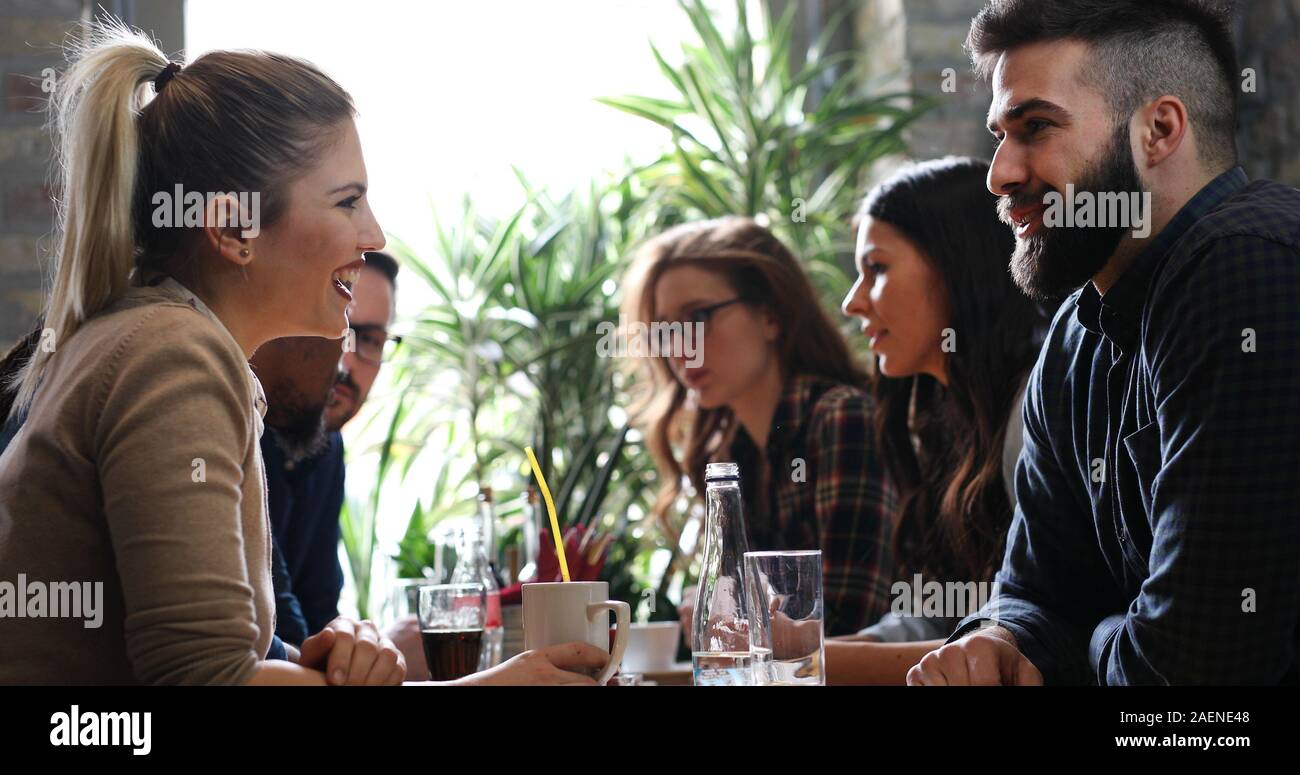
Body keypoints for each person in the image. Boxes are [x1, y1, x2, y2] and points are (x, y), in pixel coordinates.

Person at [0, 21, 604, 687]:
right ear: (233, 227)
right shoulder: (175, 357)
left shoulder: (152, 340)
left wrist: (303, 660)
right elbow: (205, 679)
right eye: (348, 201)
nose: (373, 233)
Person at [909, 0, 1300, 685]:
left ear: (1159, 130)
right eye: (999, 134)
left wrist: (1080, 642)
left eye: (1035, 128)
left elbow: (1194, 680)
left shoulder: (1246, 266)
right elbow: (1034, 593)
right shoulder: (1077, 335)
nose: (998, 174)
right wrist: (1003, 642)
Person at [828, 157, 1047, 684]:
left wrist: (794, 659)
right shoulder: (938, 416)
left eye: (877, 270)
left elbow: (1033, 634)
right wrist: (801, 643)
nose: (851, 302)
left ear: (955, 265)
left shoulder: (1035, 409)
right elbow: (937, 615)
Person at [622, 216, 894, 638]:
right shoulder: (732, 456)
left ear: (769, 316)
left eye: (699, 316)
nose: (680, 347)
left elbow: (846, 625)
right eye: (666, 330)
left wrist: (736, 620)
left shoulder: (840, 419)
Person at [251, 251, 400, 643]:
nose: (344, 362)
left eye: (368, 340)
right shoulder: (237, 424)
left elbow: (317, 618)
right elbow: (269, 636)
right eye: (338, 325)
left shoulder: (327, 447)